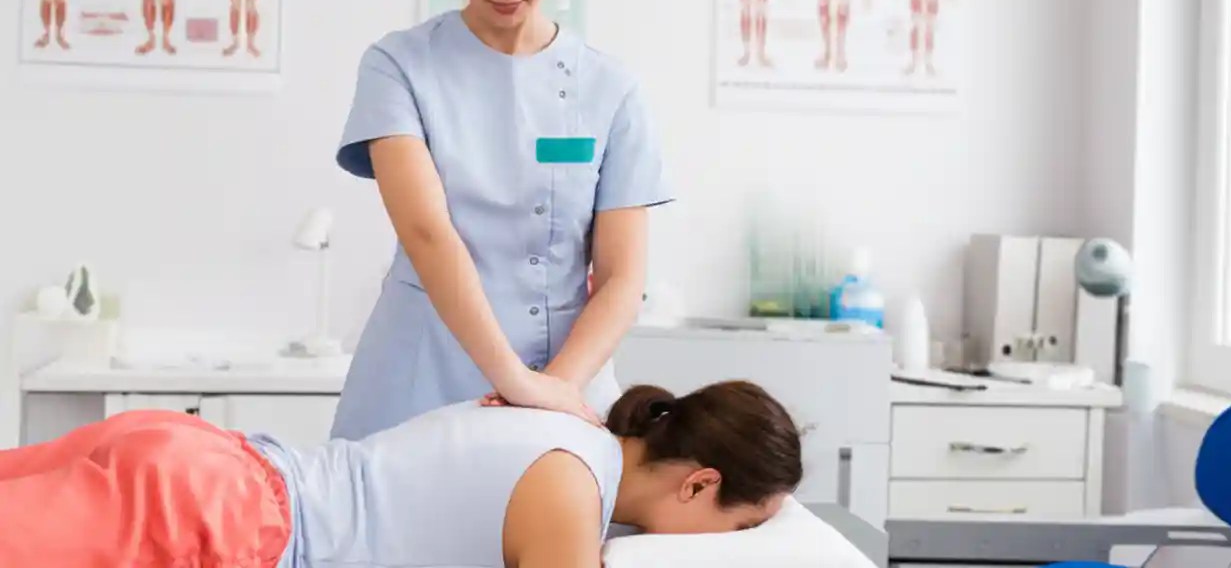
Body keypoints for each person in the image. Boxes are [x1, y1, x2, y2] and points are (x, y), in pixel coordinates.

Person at [330, 0, 672, 441]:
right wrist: (513, 379)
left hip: (568, 377)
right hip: (420, 380)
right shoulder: (400, 66)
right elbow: (427, 233)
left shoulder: (611, 89)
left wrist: (552, 390)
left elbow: (621, 277)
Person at [0, 380, 803, 566]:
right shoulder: (570, 491)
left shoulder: (566, 422)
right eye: (735, 528)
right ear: (697, 482)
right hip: (223, 521)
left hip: (202, 459)